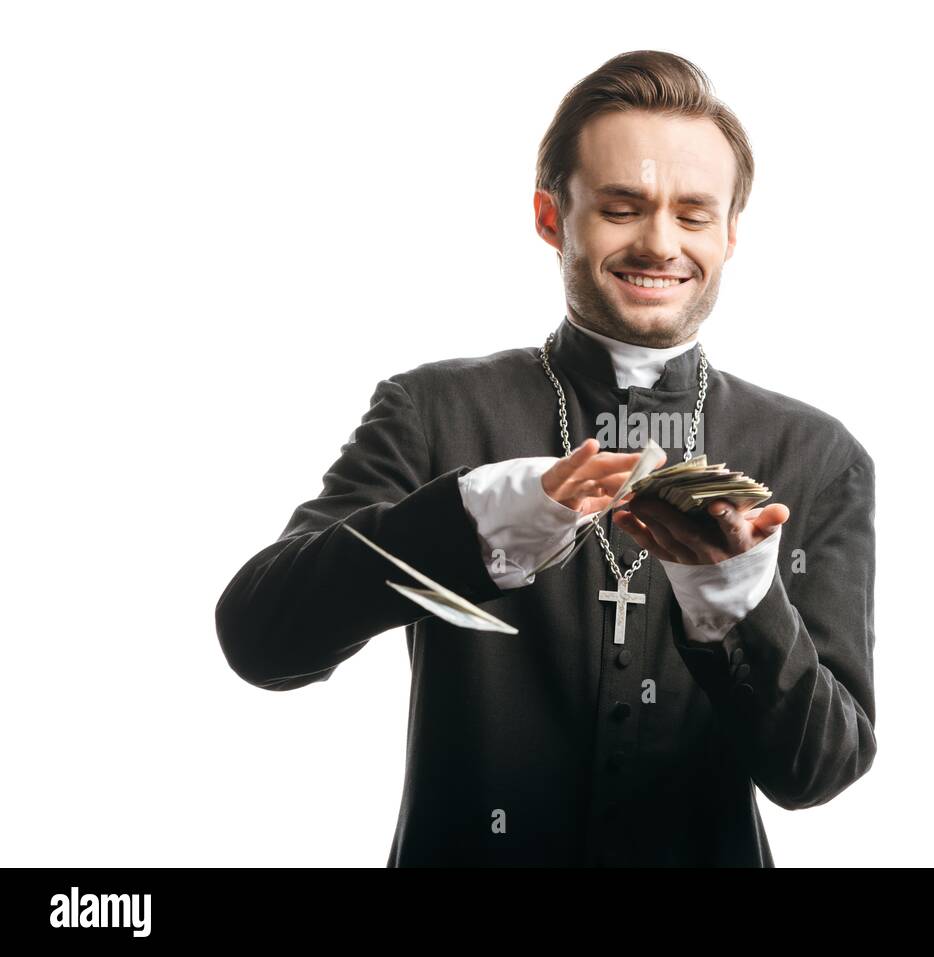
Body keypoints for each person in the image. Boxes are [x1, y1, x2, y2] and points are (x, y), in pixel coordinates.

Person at [215, 49, 876, 867]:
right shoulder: (433, 411)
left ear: (732, 232)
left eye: (694, 213)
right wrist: (477, 519)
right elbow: (261, 640)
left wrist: (739, 601)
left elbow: (820, 769)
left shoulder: (817, 453)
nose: (661, 242)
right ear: (550, 216)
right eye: (622, 206)